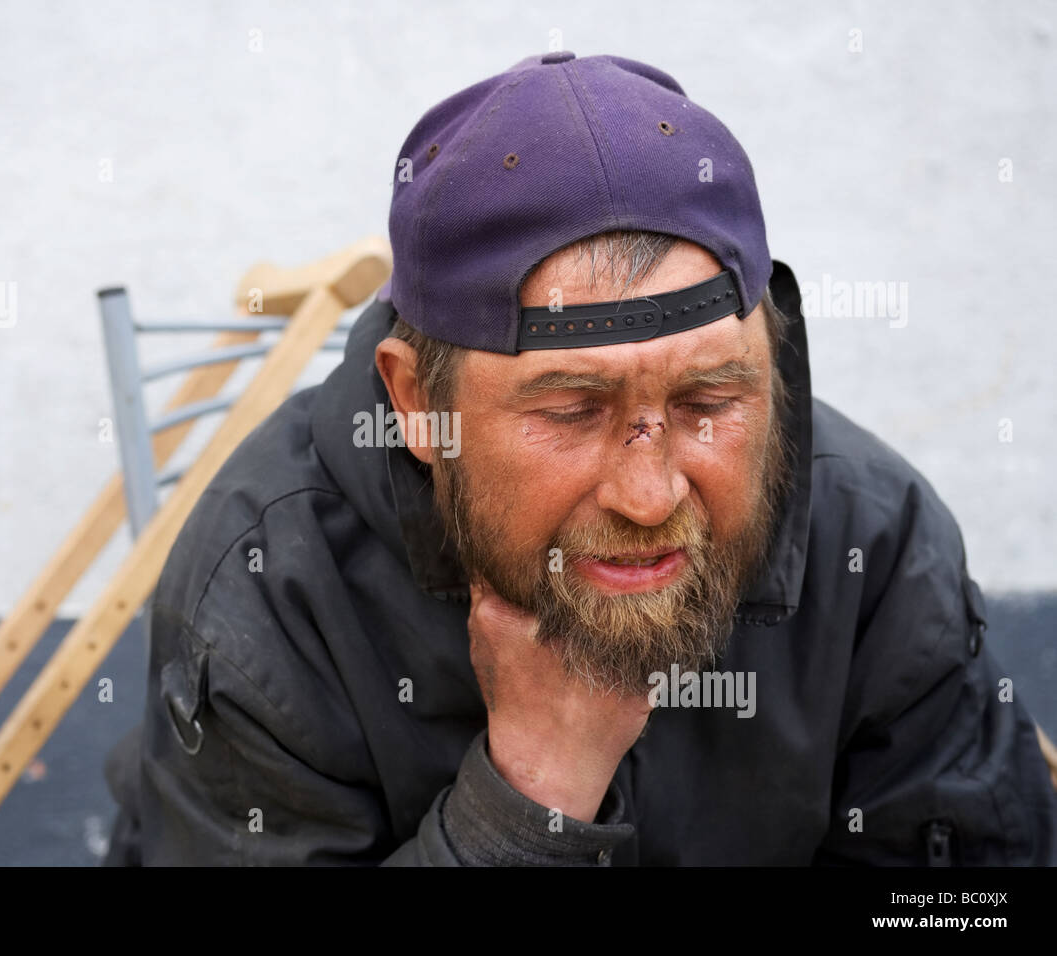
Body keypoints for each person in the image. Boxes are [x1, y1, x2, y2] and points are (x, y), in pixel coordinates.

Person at [101, 52, 1057, 865]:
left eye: (709, 401)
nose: (650, 496)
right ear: (417, 402)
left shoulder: (875, 544)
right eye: (571, 410)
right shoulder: (272, 591)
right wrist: (527, 798)